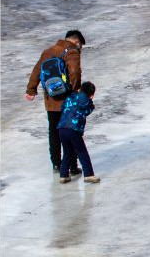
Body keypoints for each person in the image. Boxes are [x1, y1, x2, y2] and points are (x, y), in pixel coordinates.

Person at [25, 30, 85, 174]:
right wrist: (74, 90)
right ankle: (71, 166)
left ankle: (57, 164)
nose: (80, 49)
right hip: (67, 100)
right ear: (76, 41)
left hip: (51, 99)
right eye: (80, 46)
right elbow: (75, 72)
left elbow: (37, 71)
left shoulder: (48, 51)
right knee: (69, 131)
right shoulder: (72, 52)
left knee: (53, 132)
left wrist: (30, 90)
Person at [57, 81, 98, 184]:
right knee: (82, 152)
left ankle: (63, 175)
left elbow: (62, 108)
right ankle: (88, 174)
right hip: (74, 130)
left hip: (62, 128)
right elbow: (86, 112)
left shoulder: (70, 96)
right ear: (91, 94)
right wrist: (91, 104)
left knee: (67, 152)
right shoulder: (86, 101)